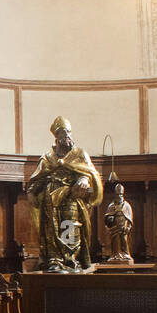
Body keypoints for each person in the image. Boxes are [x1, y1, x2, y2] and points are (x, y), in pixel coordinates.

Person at [25, 116, 103, 272]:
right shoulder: (47, 158)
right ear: (56, 137)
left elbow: (89, 174)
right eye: (61, 134)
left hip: (70, 198)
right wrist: (32, 191)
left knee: (70, 227)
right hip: (49, 200)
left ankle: (70, 260)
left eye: (67, 133)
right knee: (50, 231)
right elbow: (37, 179)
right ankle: (54, 260)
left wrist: (83, 180)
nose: (65, 137)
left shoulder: (79, 154)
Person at [103, 183, 134, 264]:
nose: (119, 196)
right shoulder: (111, 206)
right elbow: (107, 216)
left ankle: (126, 255)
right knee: (115, 241)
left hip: (123, 226)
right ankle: (115, 255)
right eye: (117, 194)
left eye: (120, 194)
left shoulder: (126, 205)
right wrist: (110, 218)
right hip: (114, 226)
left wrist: (128, 227)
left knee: (124, 240)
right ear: (115, 195)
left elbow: (129, 218)